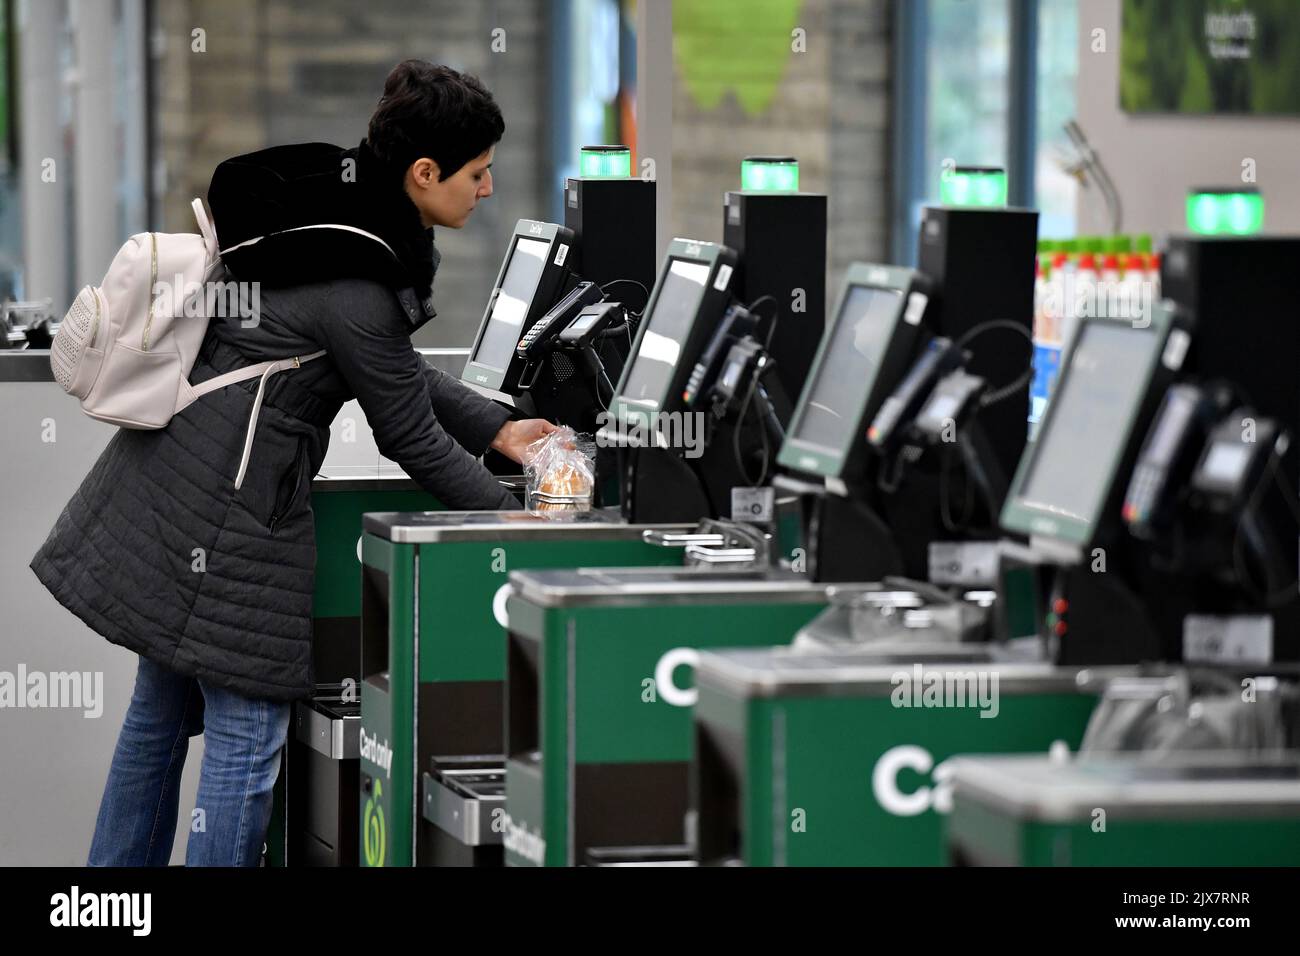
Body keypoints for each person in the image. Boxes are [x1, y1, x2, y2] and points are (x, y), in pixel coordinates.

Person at [29, 60, 552, 866]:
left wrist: (499, 429)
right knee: (248, 733)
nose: (486, 189)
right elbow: (406, 433)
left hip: (174, 480)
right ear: (424, 173)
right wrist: (528, 527)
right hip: (230, 519)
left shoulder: (337, 215)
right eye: (478, 173)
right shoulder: (363, 281)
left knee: (158, 718)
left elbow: (389, 368)